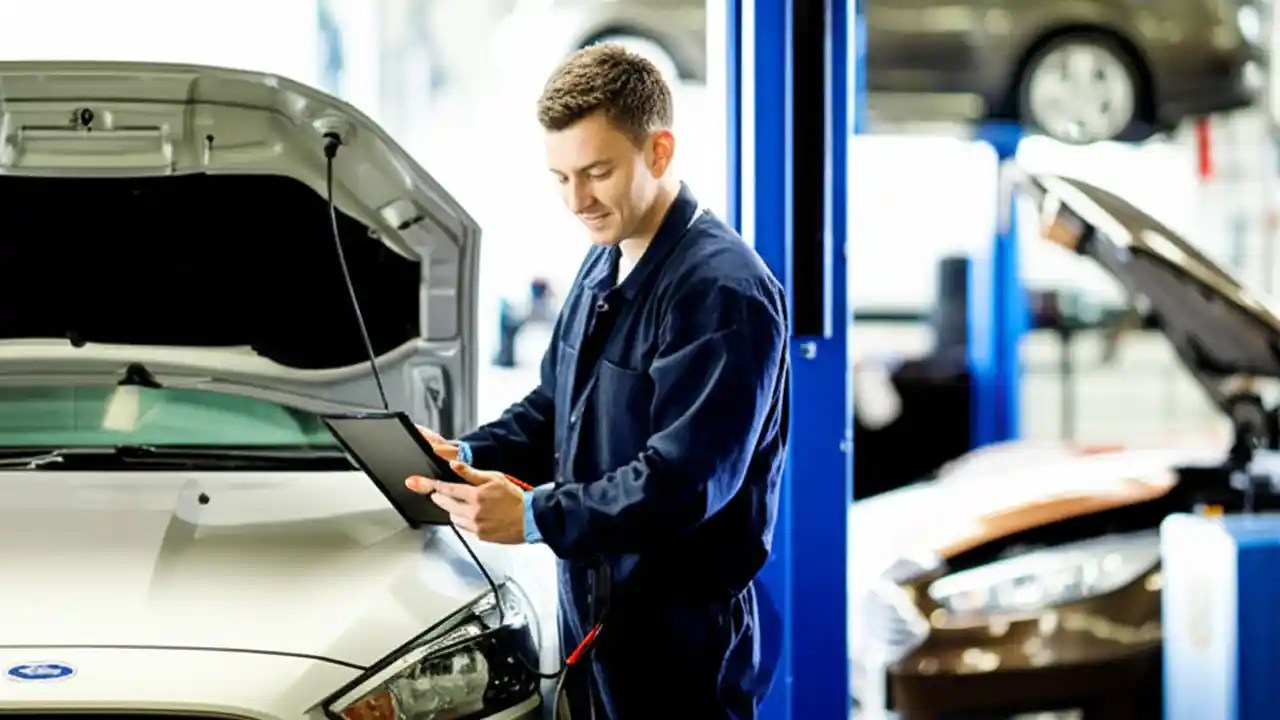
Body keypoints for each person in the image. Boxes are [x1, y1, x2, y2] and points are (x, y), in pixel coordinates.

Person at [405, 43, 790, 719]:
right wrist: (468, 456)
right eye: (559, 177)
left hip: (681, 646)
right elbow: (558, 405)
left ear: (660, 152)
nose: (576, 200)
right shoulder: (605, 259)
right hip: (597, 619)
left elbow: (683, 483)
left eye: (597, 172)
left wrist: (533, 516)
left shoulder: (722, 292)